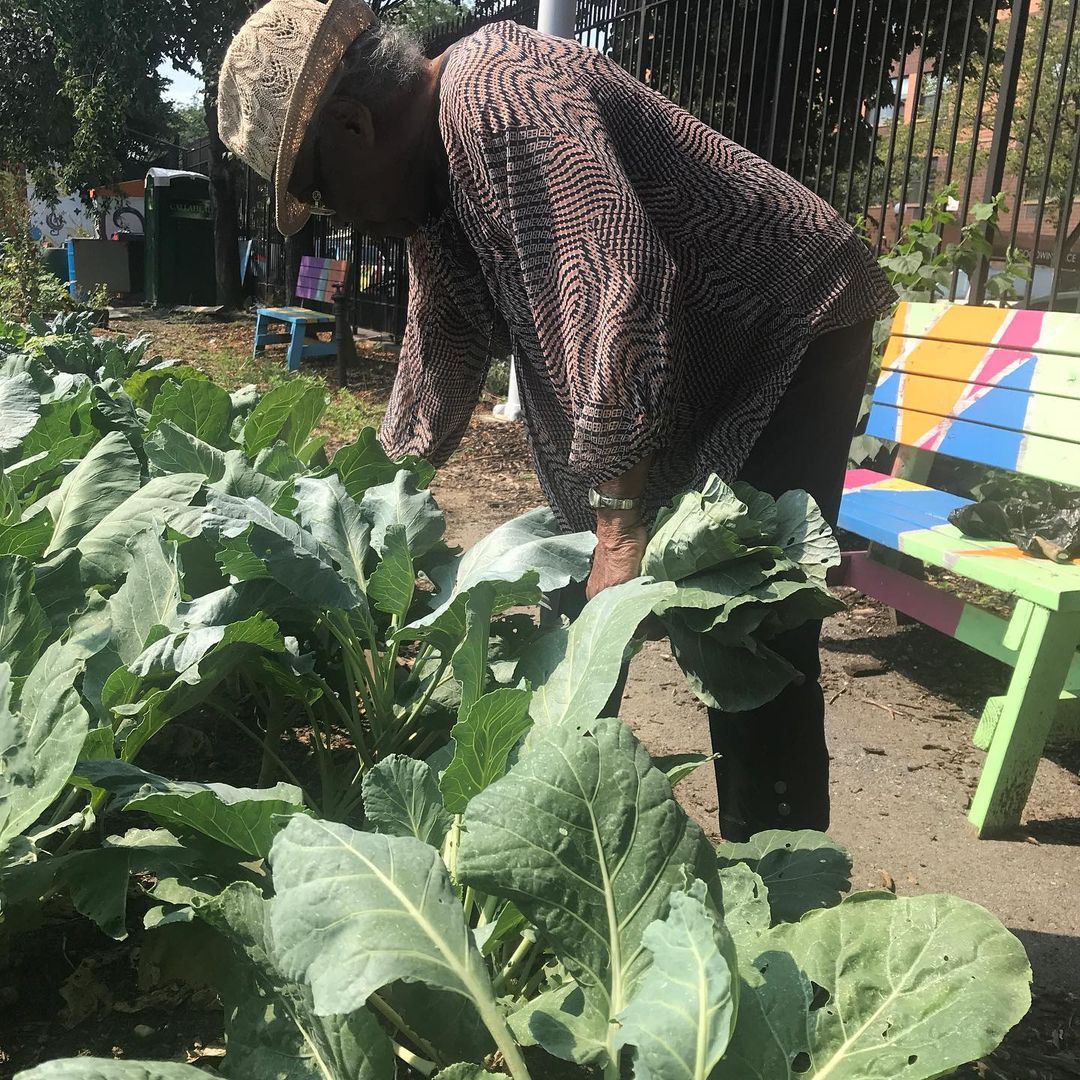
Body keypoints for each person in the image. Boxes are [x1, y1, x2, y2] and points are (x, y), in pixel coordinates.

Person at [218, 0, 896, 841]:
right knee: (579, 600)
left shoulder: (500, 93)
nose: (339, 220)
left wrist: (618, 526)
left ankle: (782, 872)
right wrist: (382, 524)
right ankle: (557, 827)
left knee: (747, 609)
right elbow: (444, 339)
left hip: (782, 326)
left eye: (319, 194)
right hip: (694, 348)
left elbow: (615, 277)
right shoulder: (434, 173)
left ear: (355, 127)